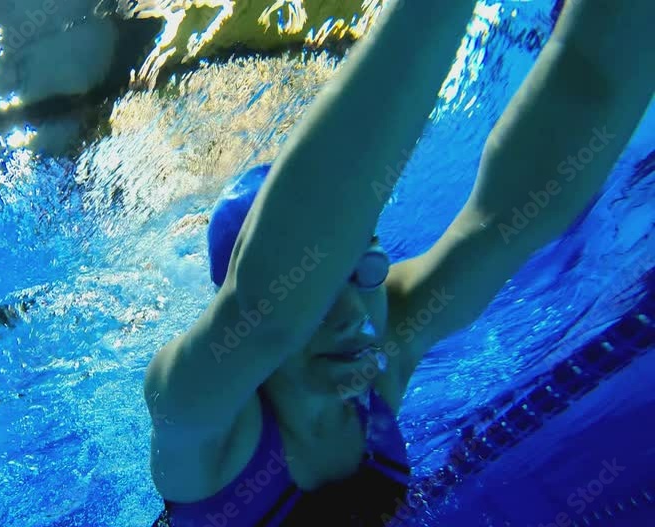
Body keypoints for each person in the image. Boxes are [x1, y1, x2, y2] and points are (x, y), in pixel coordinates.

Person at [144, 0, 654, 525]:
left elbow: (511, 218)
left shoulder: (383, 343)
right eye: (317, 295)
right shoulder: (198, 419)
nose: (352, 316)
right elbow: (266, 317)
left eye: (364, 272)